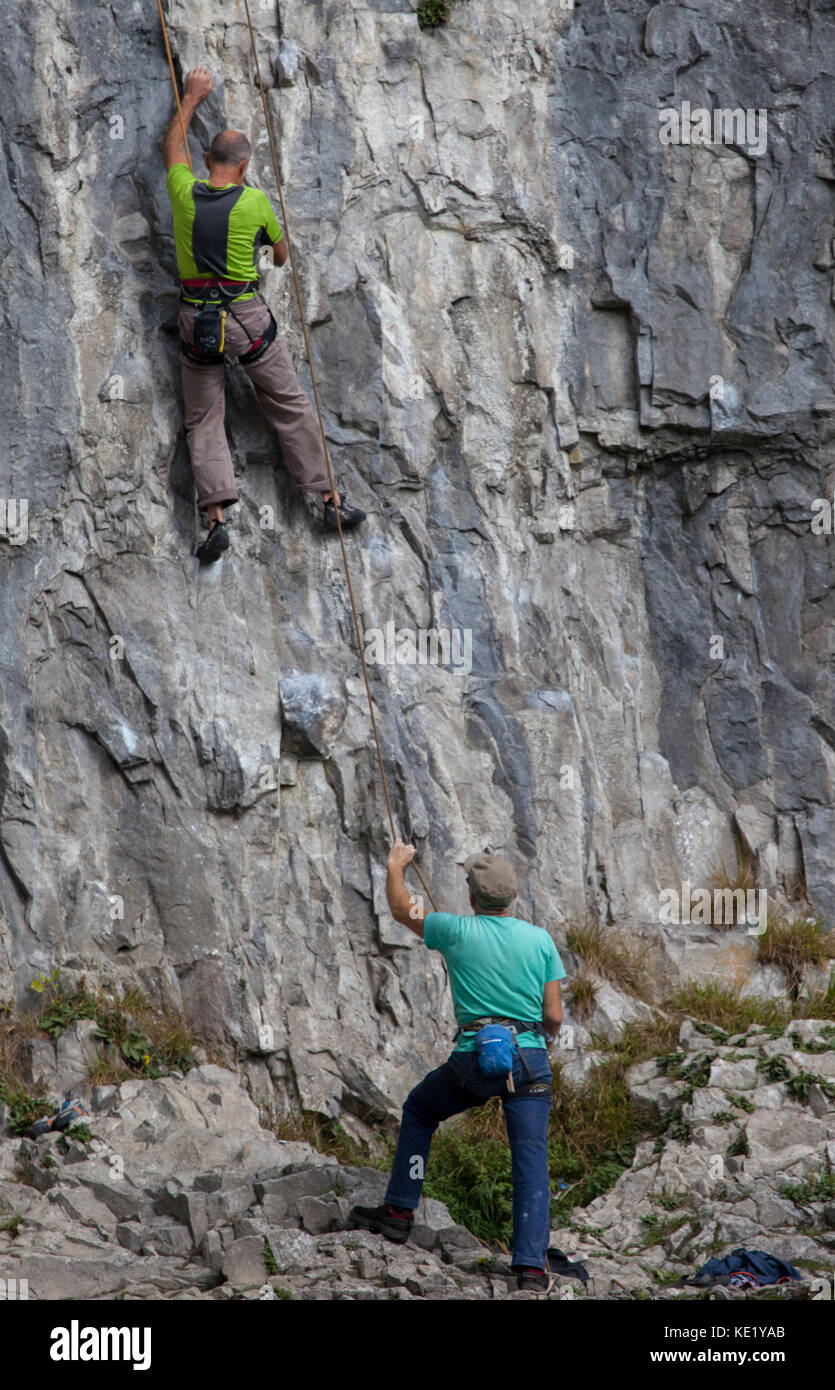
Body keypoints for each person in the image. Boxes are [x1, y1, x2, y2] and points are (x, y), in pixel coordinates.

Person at [161, 66, 366, 564]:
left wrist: (191, 97)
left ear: (206, 160)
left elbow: (172, 148)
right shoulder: (254, 202)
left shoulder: (184, 193)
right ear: (246, 166)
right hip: (247, 320)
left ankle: (216, 523)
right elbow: (279, 256)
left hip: (196, 321)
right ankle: (328, 500)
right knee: (288, 403)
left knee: (204, 418)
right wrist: (263, 249)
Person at [350, 840, 566, 1295]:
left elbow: (402, 911)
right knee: (530, 1159)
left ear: (472, 897)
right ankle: (530, 1268)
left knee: (422, 1111)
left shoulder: (455, 931)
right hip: (530, 1057)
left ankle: (399, 1212)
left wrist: (395, 867)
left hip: (474, 1057)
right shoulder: (540, 940)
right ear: (514, 897)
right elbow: (554, 1017)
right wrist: (535, 1036)